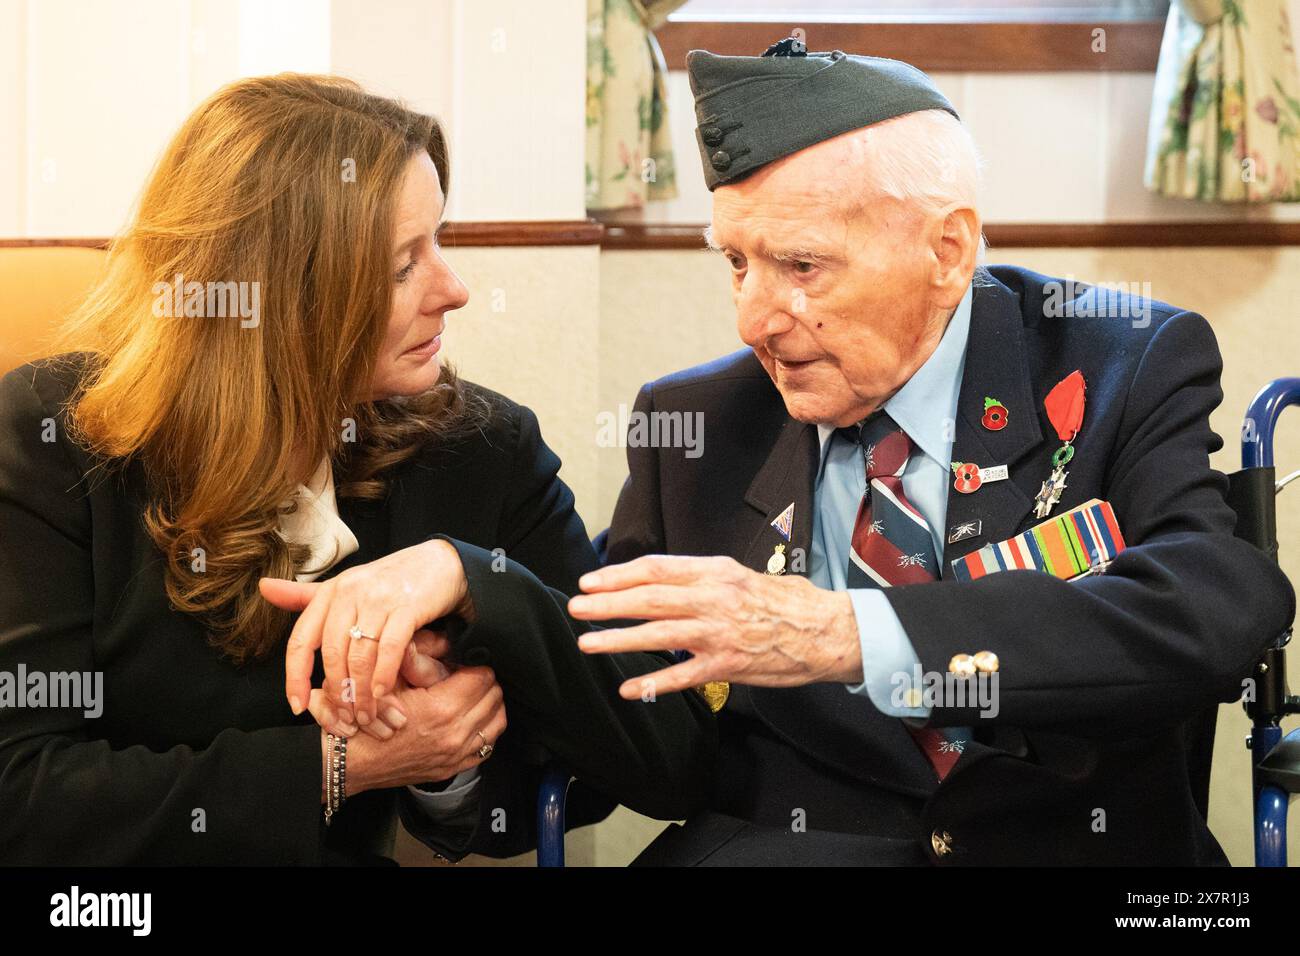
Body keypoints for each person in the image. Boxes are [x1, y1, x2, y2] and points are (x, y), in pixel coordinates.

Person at [569, 39, 1297, 865]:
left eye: (802, 264)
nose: (754, 320)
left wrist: (853, 632)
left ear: (947, 252)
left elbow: (1216, 605)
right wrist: (477, 604)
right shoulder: (697, 421)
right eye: (737, 263)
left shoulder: (1120, 362)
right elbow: (615, 703)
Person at [0, 73, 713, 865]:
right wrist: (348, 766)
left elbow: (670, 758)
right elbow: (23, 795)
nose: (455, 289)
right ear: (277, 294)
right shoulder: (51, 437)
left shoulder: (479, 448)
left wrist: (476, 597)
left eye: (439, 242)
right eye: (403, 266)